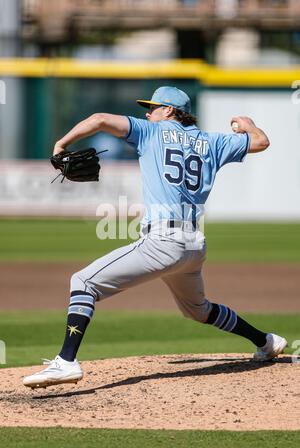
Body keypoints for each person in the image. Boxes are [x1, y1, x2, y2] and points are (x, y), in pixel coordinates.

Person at [23, 86, 287, 389]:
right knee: (197, 310)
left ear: (170, 111)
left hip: (164, 241)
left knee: (83, 282)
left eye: (153, 107)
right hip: (193, 243)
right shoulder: (212, 141)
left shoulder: (150, 132)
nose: (147, 113)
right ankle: (266, 341)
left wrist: (60, 143)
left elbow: (98, 119)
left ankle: (65, 362)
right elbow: (261, 141)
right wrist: (247, 124)